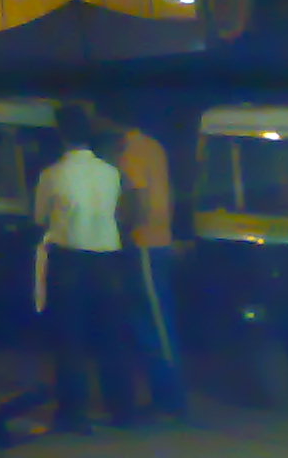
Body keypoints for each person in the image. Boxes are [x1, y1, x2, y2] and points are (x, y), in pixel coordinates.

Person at [33, 103, 136, 434]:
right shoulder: (110, 173)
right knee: (111, 337)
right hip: (108, 256)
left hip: (70, 258)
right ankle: (122, 407)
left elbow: (39, 217)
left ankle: (74, 412)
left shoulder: (52, 174)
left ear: (60, 133)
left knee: (71, 338)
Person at [94, 97, 186, 419]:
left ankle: (170, 398)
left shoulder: (130, 150)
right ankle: (164, 395)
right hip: (157, 239)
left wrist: (118, 228)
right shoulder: (152, 144)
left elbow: (136, 198)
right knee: (151, 322)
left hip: (145, 241)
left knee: (155, 324)